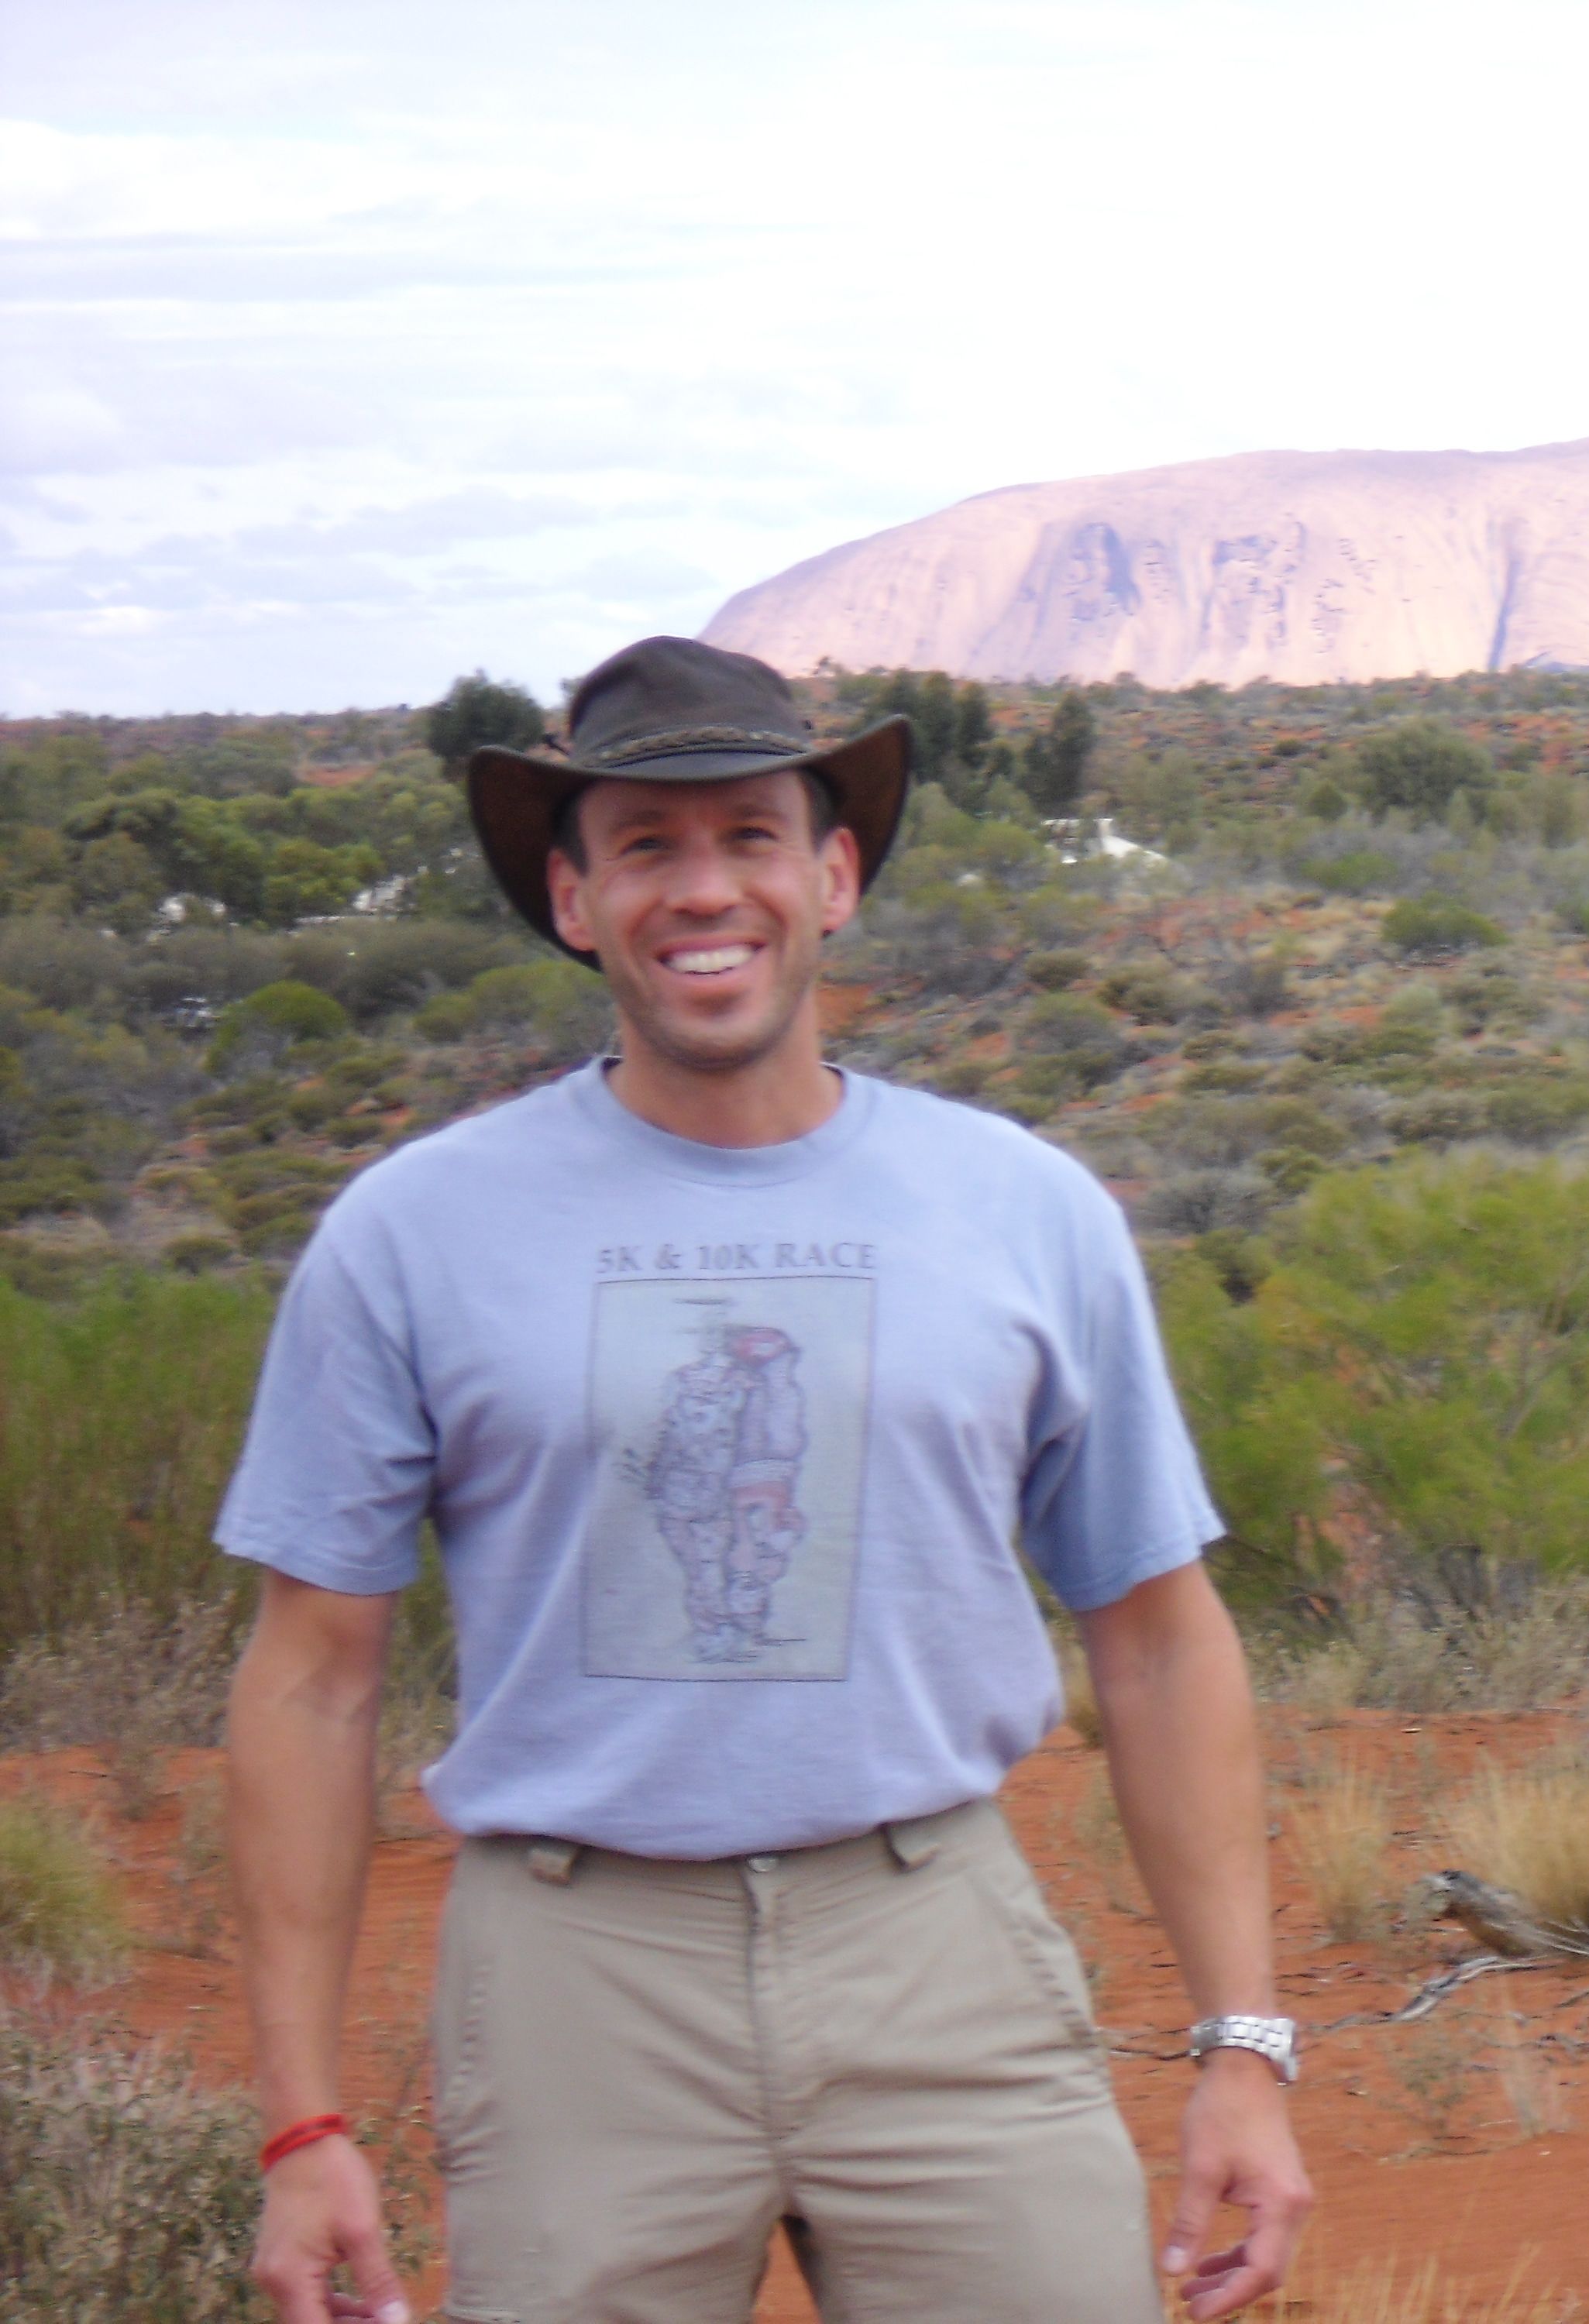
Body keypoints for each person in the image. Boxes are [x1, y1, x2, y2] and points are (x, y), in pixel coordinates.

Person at [220, 637, 1311, 2324]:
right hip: (576, 1971)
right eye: (643, 846)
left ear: (835, 876)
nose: (703, 889)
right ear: (574, 899)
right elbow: (310, 1676)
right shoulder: (411, 1232)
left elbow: (1161, 1638)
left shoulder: (1024, 1208)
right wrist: (302, 2124)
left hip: (935, 1937)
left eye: (750, 834)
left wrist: (1243, 2045)